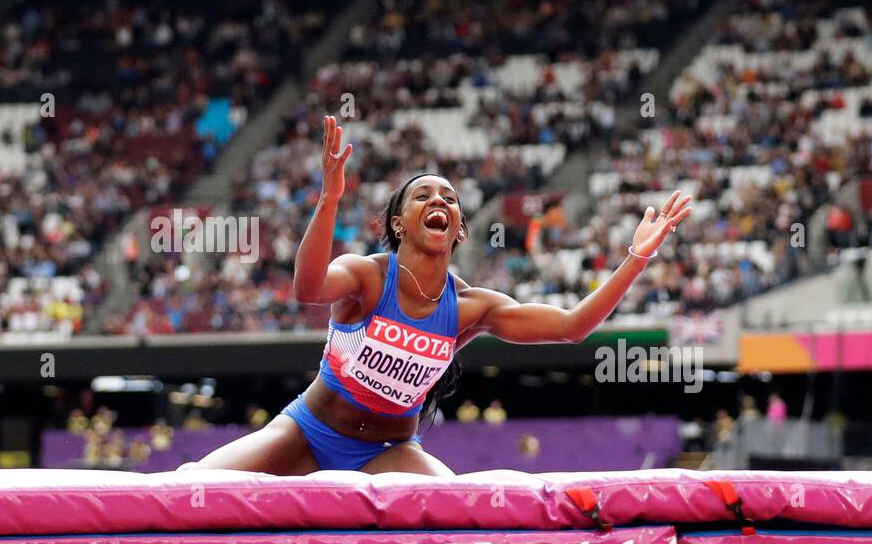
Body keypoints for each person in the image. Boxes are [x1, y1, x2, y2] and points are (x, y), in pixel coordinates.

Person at [188, 116, 691, 475]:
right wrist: (330, 196)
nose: (438, 201)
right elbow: (308, 288)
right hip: (308, 434)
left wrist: (636, 258)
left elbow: (571, 327)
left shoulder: (472, 308)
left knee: (456, 519)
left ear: (459, 230)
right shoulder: (366, 277)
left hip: (387, 452)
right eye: (423, 195)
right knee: (191, 490)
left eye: (448, 198)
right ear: (398, 223)